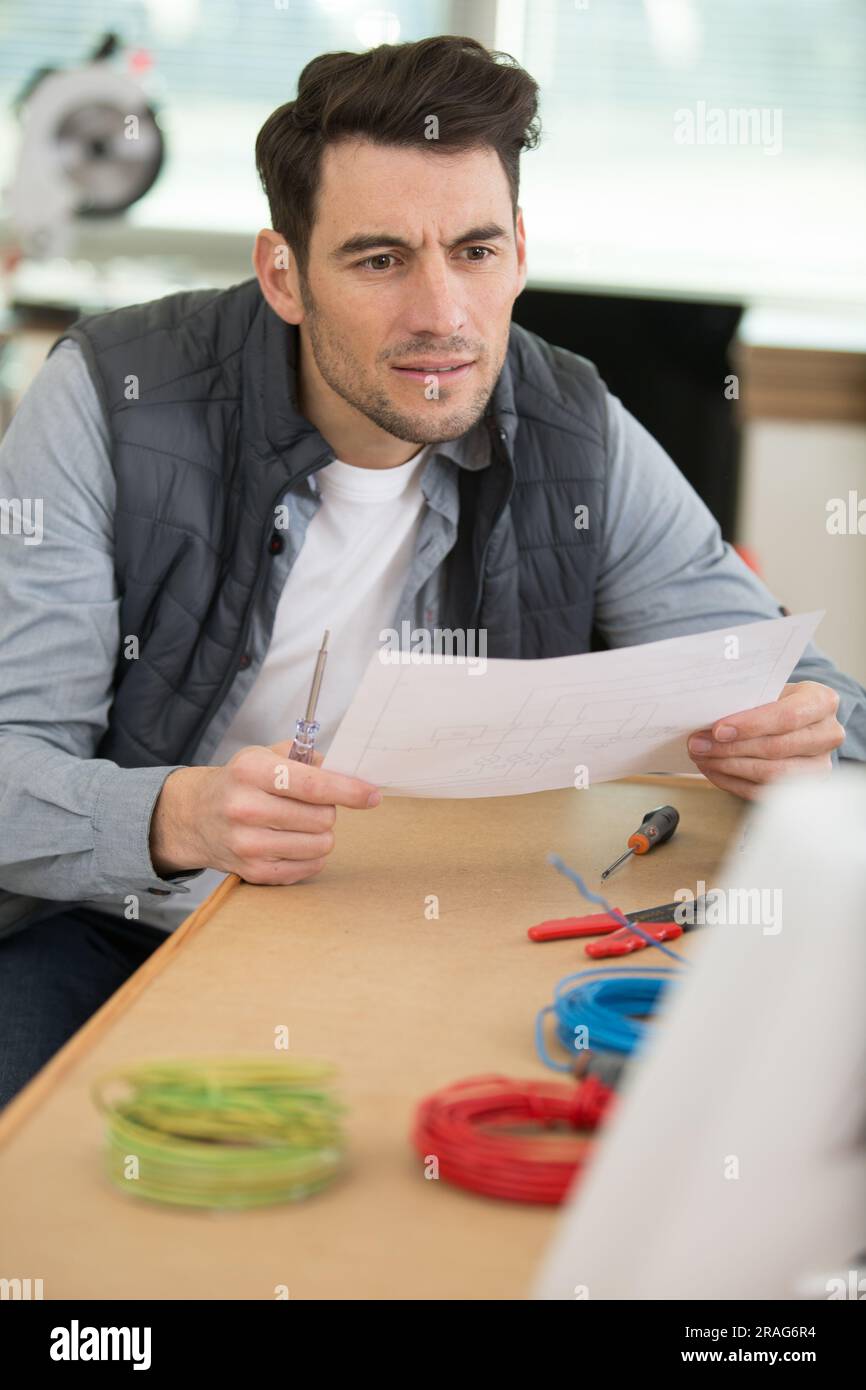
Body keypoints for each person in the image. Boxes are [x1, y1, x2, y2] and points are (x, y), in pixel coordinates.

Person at [0, 36, 863, 1107]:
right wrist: (177, 815)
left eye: (474, 250)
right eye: (378, 260)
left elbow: (821, 706)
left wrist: (802, 732)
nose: (442, 315)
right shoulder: (105, 398)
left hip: (451, 929)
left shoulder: (573, 423)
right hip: (123, 931)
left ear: (519, 251)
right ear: (283, 274)